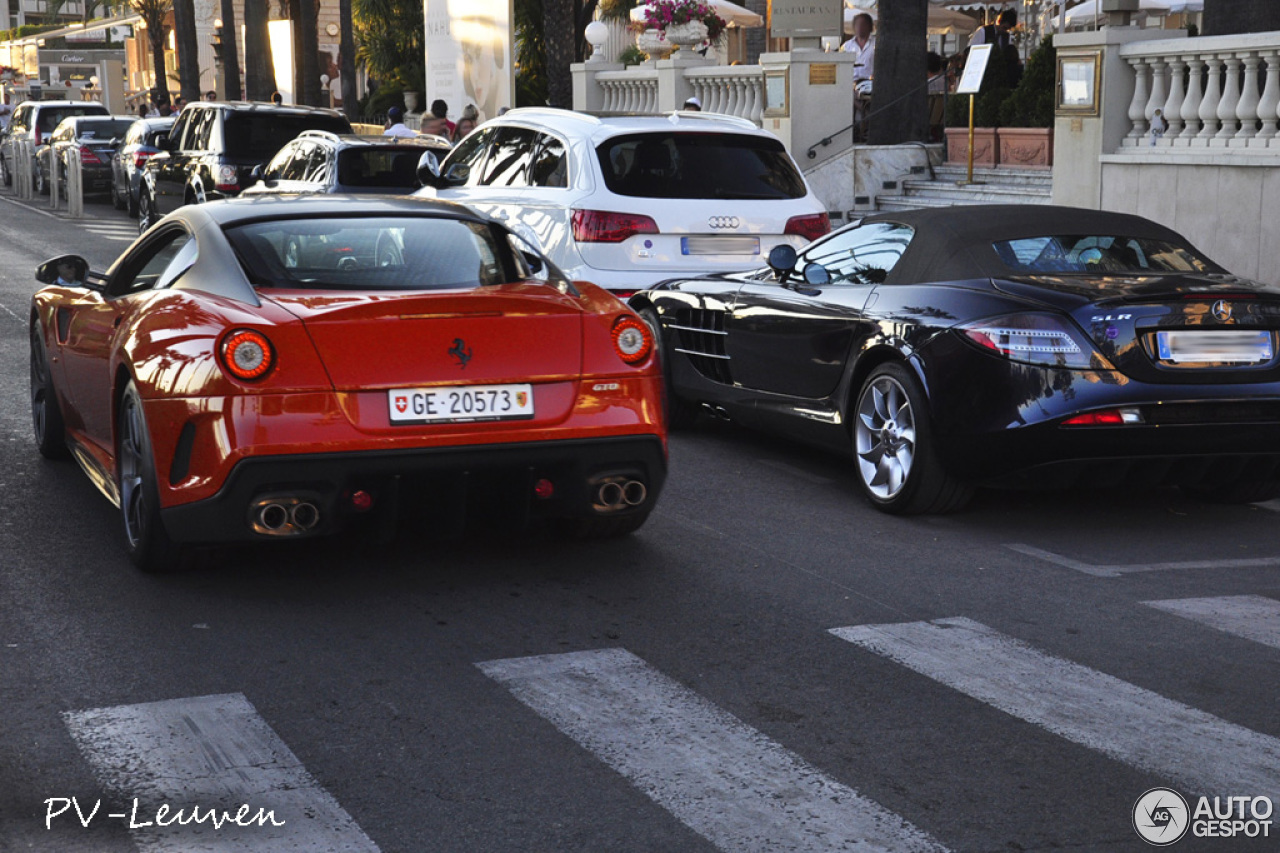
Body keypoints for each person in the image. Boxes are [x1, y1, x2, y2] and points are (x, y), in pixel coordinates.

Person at [970, 8, 1022, 89]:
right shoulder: (983, 31)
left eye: (1008, 29)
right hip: (984, 74)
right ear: (999, 21)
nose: (1005, 31)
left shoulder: (1007, 37)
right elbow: (972, 50)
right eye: (1004, 27)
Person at [841, 12, 875, 88]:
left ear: (869, 27)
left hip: (870, 85)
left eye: (863, 25)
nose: (860, 27)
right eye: (857, 25)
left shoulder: (876, 44)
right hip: (851, 85)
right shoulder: (847, 45)